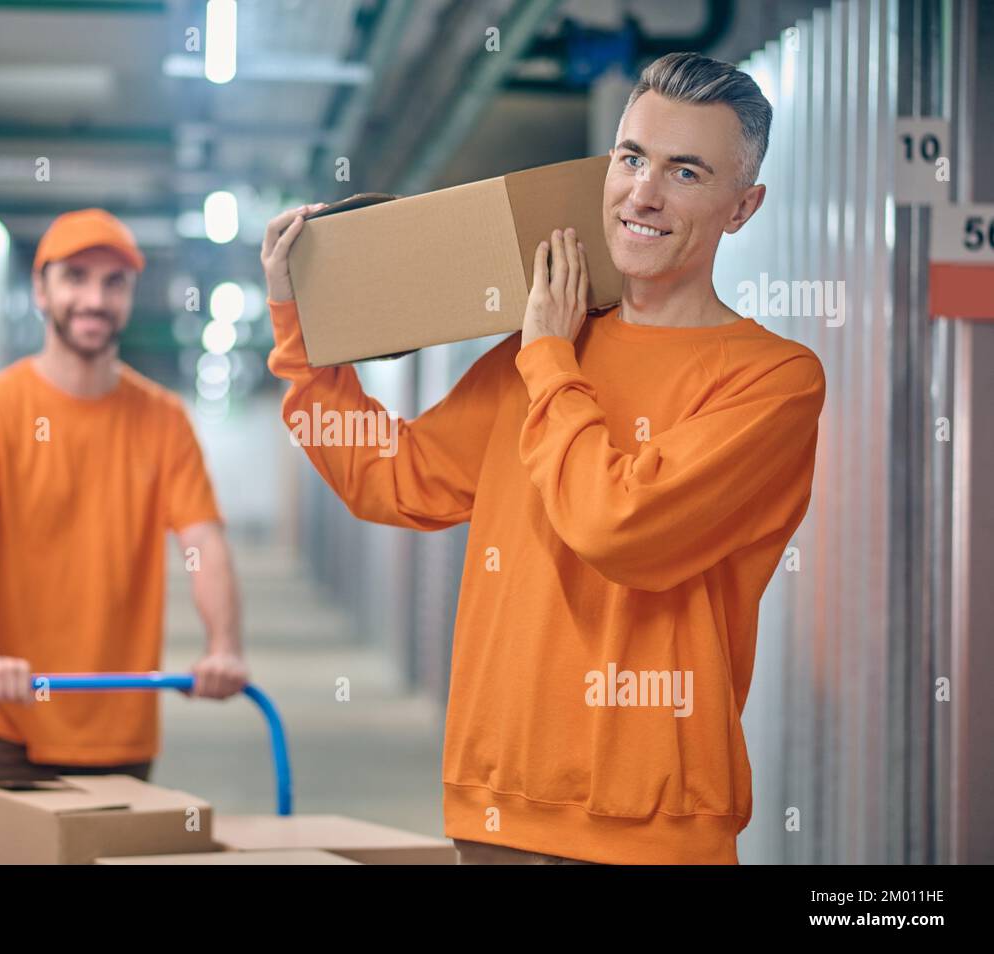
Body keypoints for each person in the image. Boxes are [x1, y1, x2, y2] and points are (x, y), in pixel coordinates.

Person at [261, 52, 825, 865]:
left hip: (654, 829)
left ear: (743, 207)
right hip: (497, 812)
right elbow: (394, 479)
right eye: (631, 158)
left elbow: (622, 527)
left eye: (685, 172)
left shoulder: (772, 380)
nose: (644, 194)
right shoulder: (546, 342)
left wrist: (551, 359)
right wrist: (302, 337)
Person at [0, 208, 248, 849]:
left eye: (113, 282)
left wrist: (224, 645)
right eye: (76, 278)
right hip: (4, 722)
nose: (94, 299)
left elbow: (202, 539)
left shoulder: (162, 419)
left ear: (129, 298)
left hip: (117, 722)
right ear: (41, 291)